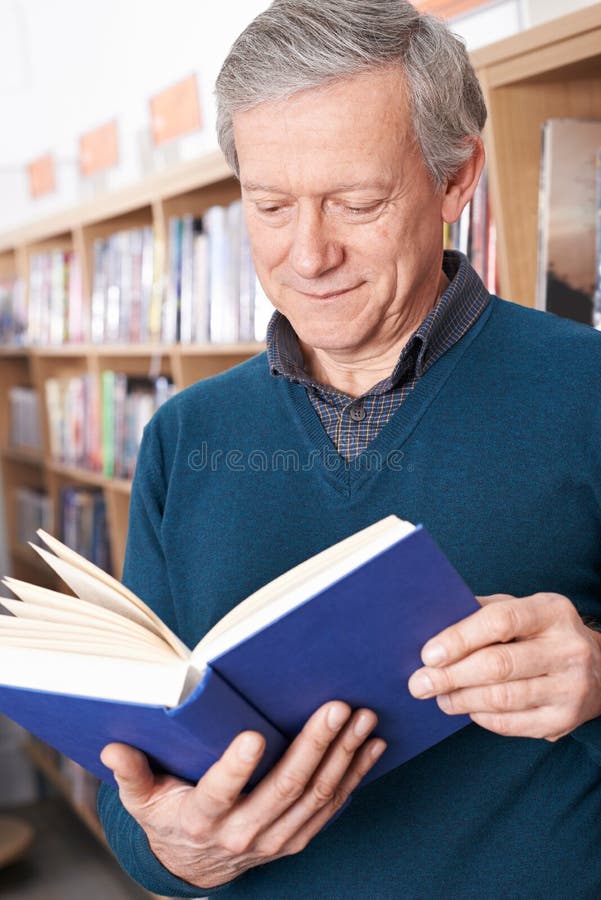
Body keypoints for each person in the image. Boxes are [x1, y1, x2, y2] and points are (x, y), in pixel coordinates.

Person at [98, 1, 601, 896]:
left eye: (357, 202)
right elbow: (129, 768)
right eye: (270, 205)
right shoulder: (186, 435)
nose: (307, 254)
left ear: (456, 180)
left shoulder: (586, 388)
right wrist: (171, 853)